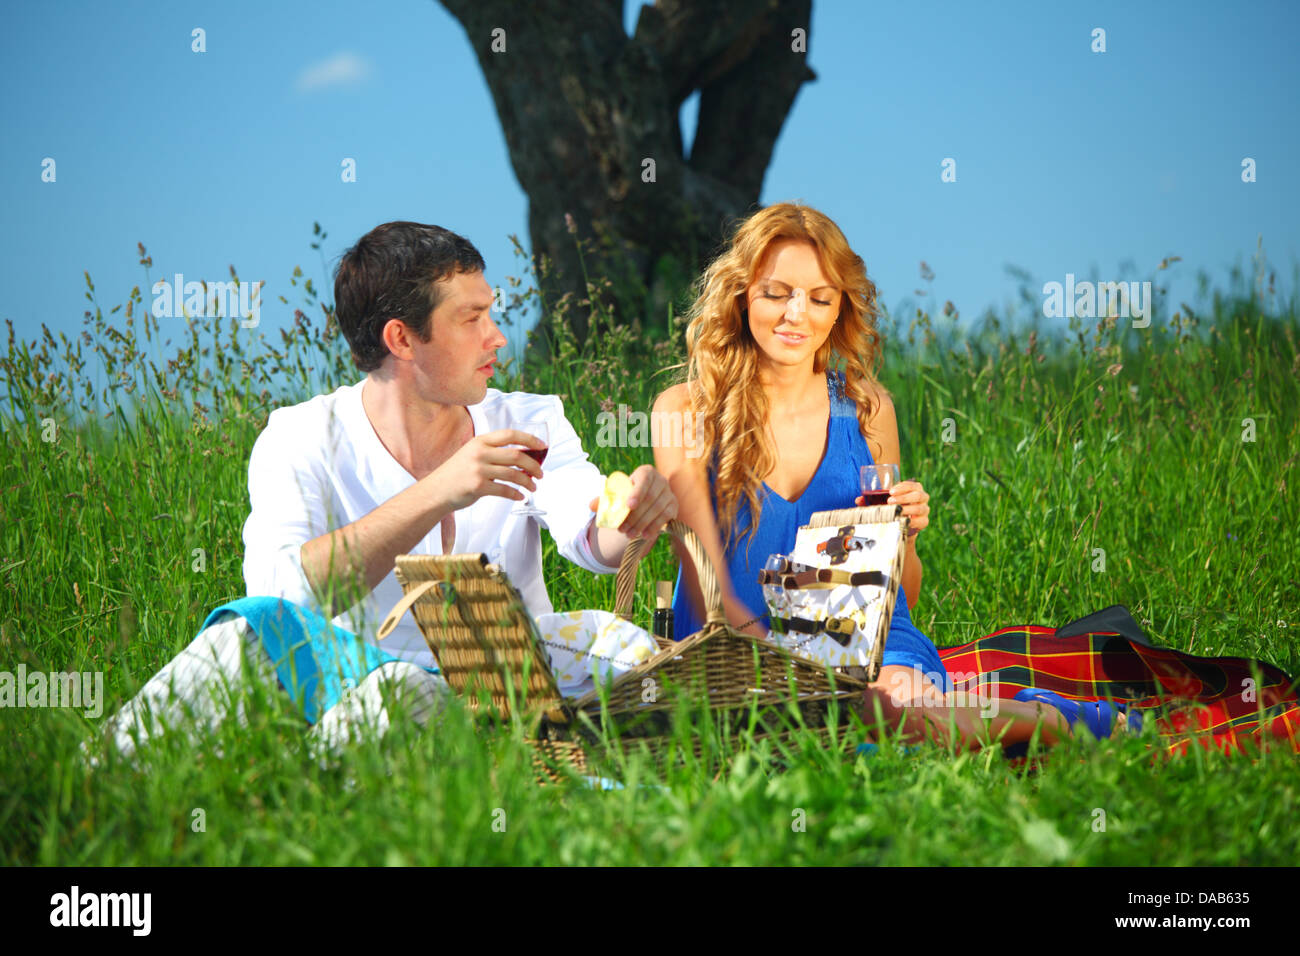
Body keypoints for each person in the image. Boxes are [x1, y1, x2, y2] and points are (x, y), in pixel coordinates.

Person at [94, 221, 677, 759]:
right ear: (402, 339)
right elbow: (282, 598)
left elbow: (588, 531)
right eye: (471, 319)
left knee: (400, 694)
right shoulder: (302, 436)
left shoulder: (528, 422)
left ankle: (279, 800)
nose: (497, 338)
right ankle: (93, 784)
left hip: (498, 690)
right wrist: (438, 492)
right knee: (244, 632)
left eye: (490, 314)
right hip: (344, 681)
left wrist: (626, 517)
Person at [653, 203, 1107, 751]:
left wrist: (905, 538)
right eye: (776, 293)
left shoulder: (868, 408)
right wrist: (796, 674)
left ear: (840, 306)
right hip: (734, 654)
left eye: (820, 298)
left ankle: (1068, 724)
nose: (797, 314)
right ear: (741, 292)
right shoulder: (684, 411)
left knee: (892, 703)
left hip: (863, 646)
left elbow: (900, 598)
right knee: (829, 729)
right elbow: (708, 596)